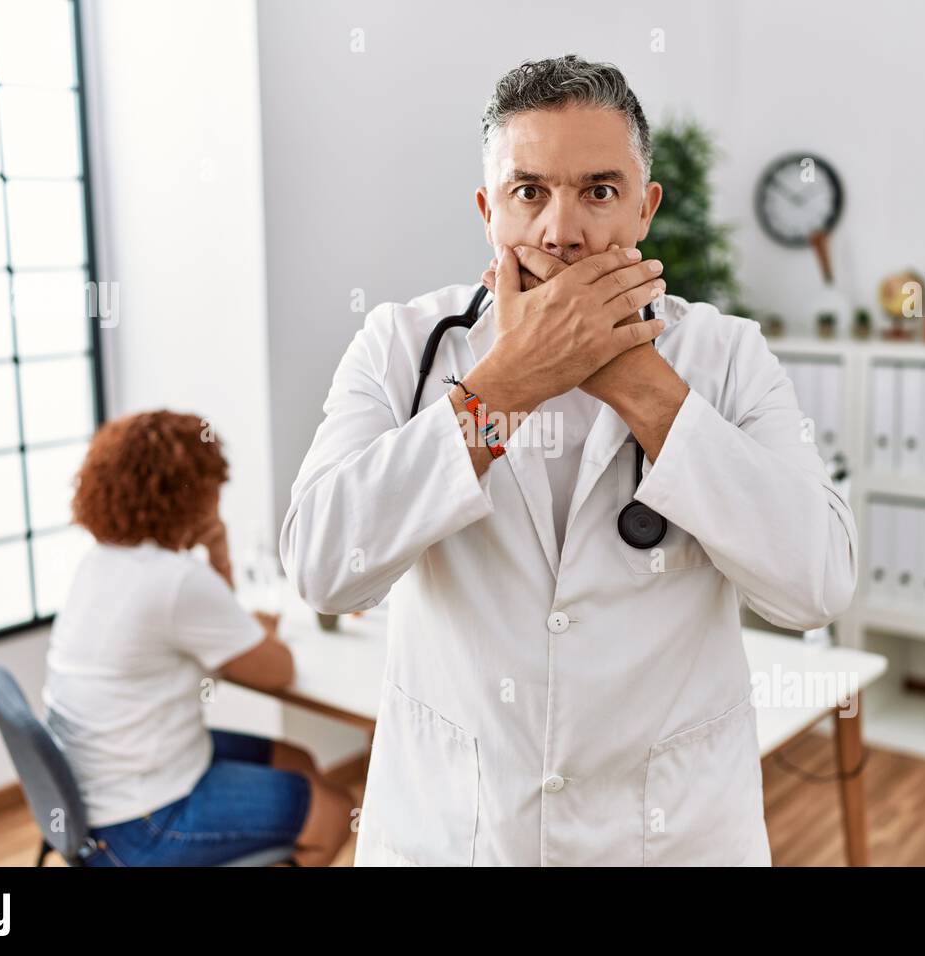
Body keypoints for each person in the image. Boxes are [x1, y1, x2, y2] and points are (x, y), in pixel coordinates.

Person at [282, 55, 857, 866]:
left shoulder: (727, 358)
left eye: (599, 191)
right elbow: (322, 567)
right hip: (457, 838)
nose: (562, 231)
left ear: (646, 207)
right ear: (488, 210)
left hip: (670, 841)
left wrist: (642, 387)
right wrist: (508, 387)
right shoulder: (400, 346)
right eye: (529, 192)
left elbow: (817, 584)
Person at [44, 410, 352, 866]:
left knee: (299, 761)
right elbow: (278, 670)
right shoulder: (176, 580)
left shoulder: (101, 562)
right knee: (338, 811)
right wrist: (228, 575)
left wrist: (218, 558)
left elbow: (223, 632)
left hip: (97, 791)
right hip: (140, 821)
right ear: (191, 496)